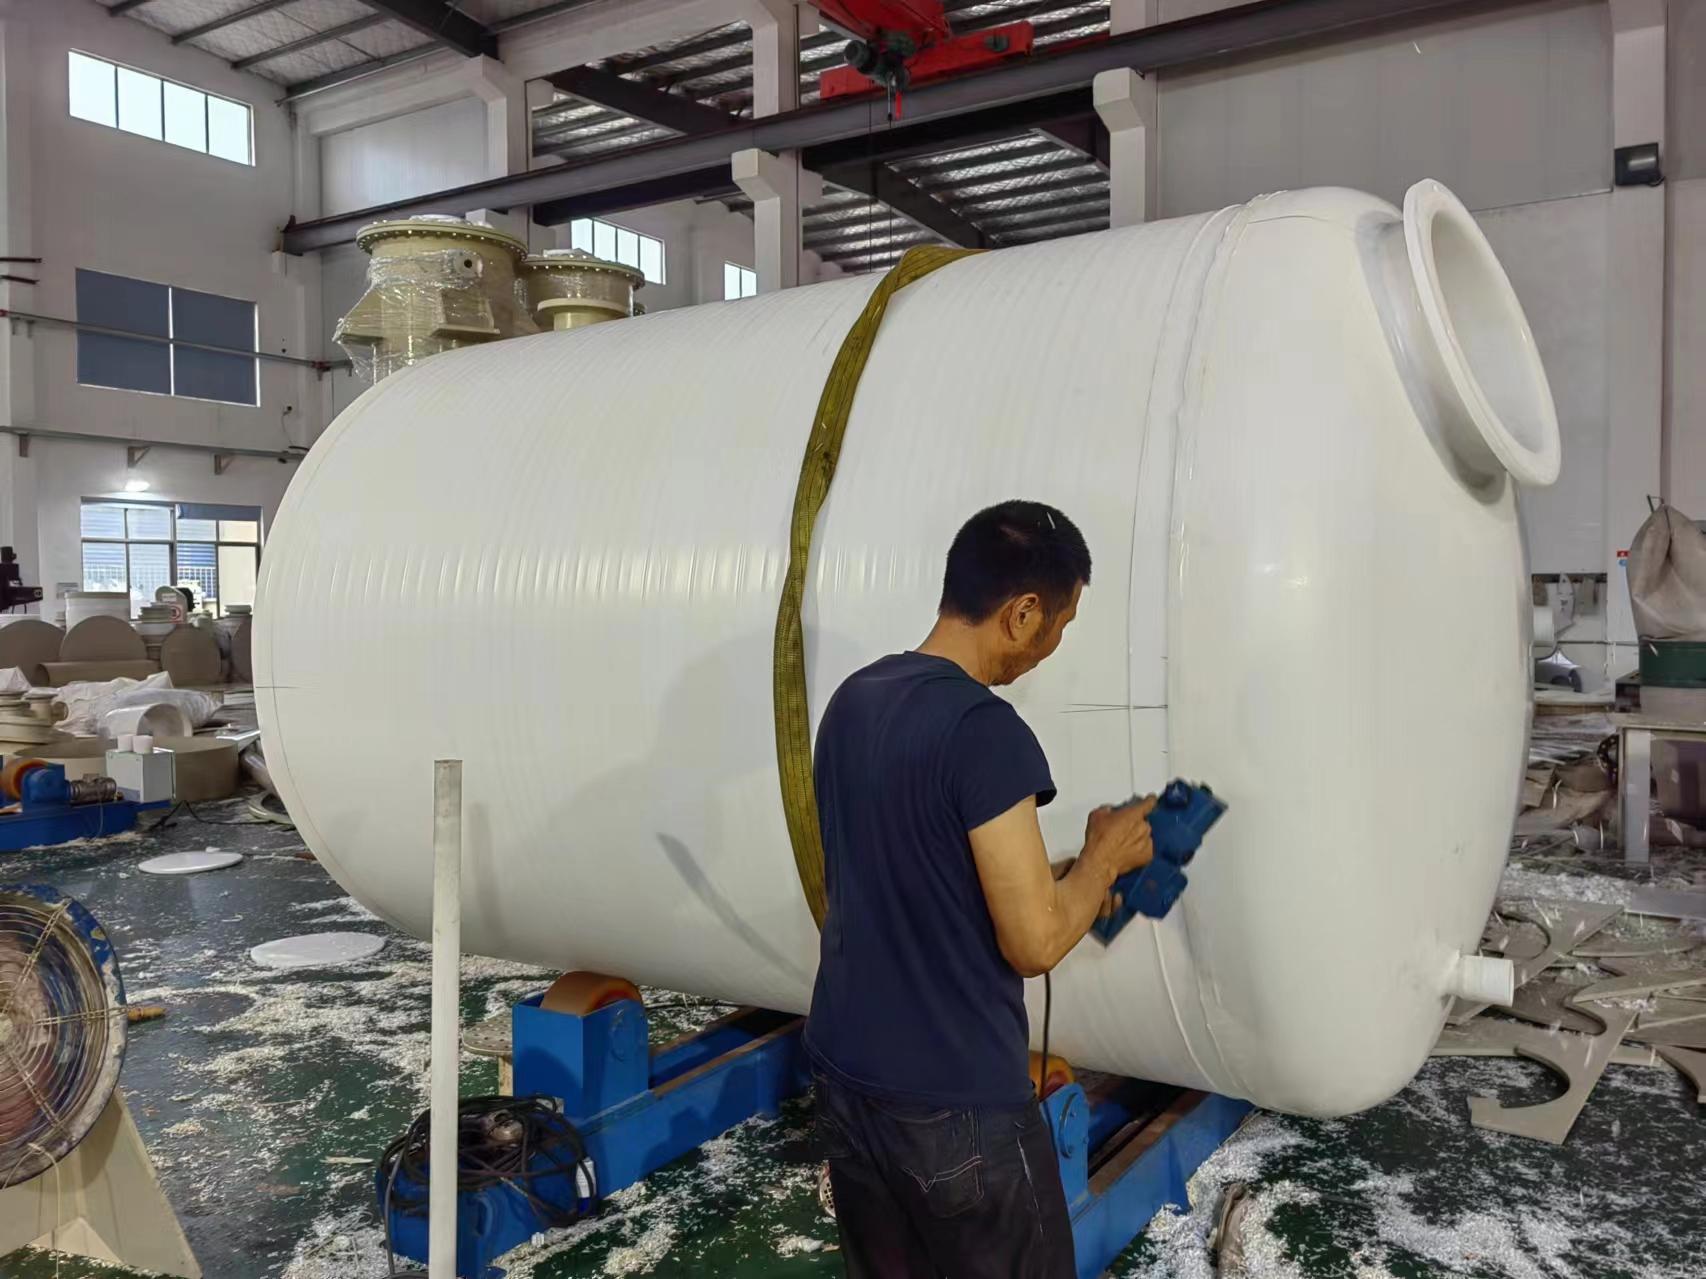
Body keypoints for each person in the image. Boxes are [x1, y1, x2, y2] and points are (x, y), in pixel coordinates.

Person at [804, 499, 1157, 1279]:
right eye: (1060, 624)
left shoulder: (854, 699)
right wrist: (1102, 859)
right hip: (952, 1108)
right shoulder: (983, 729)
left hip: (845, 1079)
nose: (1053, 646)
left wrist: (1054, 875)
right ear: (1023, 612)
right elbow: (1033, 942)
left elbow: (905, 866)